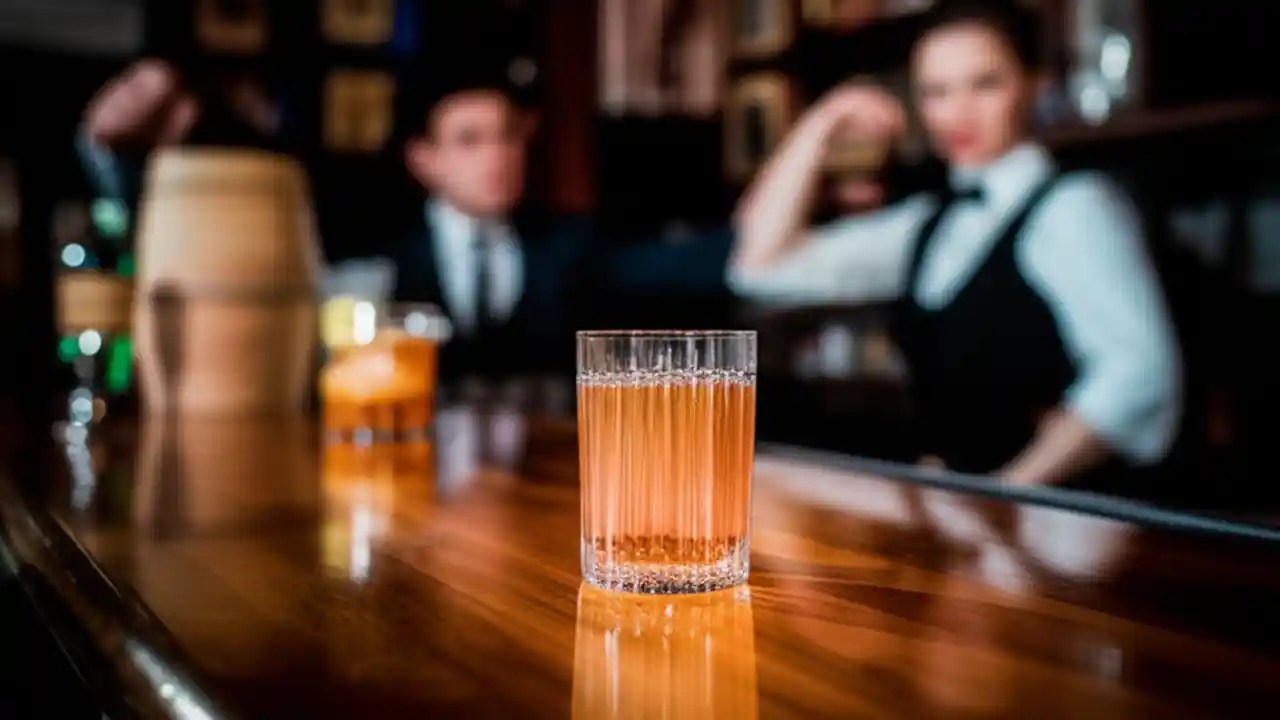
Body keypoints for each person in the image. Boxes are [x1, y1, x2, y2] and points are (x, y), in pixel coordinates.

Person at [729, 0, 1182, 487]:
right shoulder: (928, 223)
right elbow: (760, 267)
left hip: (1069, 526)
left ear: (1035, 84)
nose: (958, 112)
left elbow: (1139, 375)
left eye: (985, 84)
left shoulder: (1074, 207)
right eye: (936, 92)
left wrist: (1010, 491)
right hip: (972, 523)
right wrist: (823, 121)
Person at [392, 77, 733, 382]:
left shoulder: (569, 243)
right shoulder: (387, 253)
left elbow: (690, 265)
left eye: (508, 135)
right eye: (470, 140)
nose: (498, 156)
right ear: (423, 159)